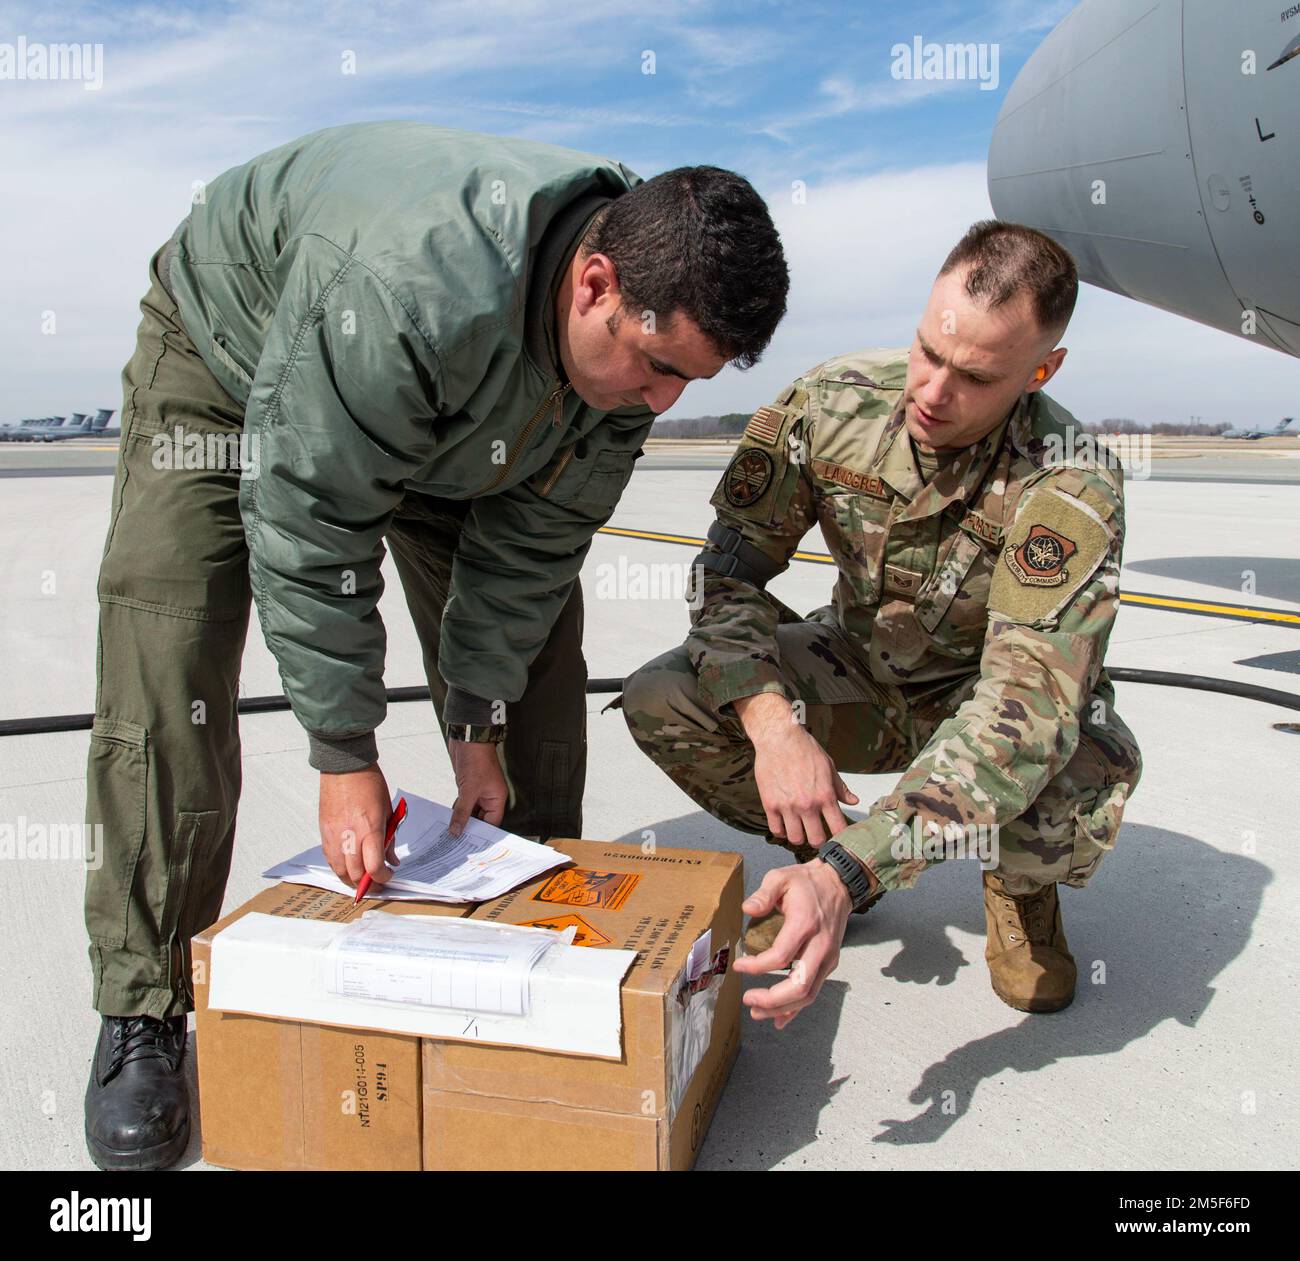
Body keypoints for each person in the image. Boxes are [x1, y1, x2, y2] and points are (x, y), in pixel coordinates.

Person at [82, 120, 788, 1169]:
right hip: (231, 365)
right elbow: (311, 514)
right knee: (169, 652)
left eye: (690, 380)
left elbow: (530, 554)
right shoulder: (404, 284)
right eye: (654, 368)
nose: (663, 401)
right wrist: (342, 755)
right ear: (593, 282)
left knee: (538, 651)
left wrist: (475, 725)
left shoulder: (637, 345)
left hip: (450, 410)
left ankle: (549, 942)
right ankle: (144, 1000)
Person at [620, 220, 1142, 1032]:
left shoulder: (1070, 481)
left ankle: (1014, 886)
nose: (931, 393)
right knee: (665, 694)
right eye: (929, 352)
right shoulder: (831, 405)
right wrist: (773, 727)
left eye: (973, 376)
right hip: (859, 671)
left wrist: (857, 872)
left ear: (1041, 371)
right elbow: (727, 576)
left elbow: (1026, 705)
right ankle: (818, 845)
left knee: (1076, 758)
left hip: (982, 705)